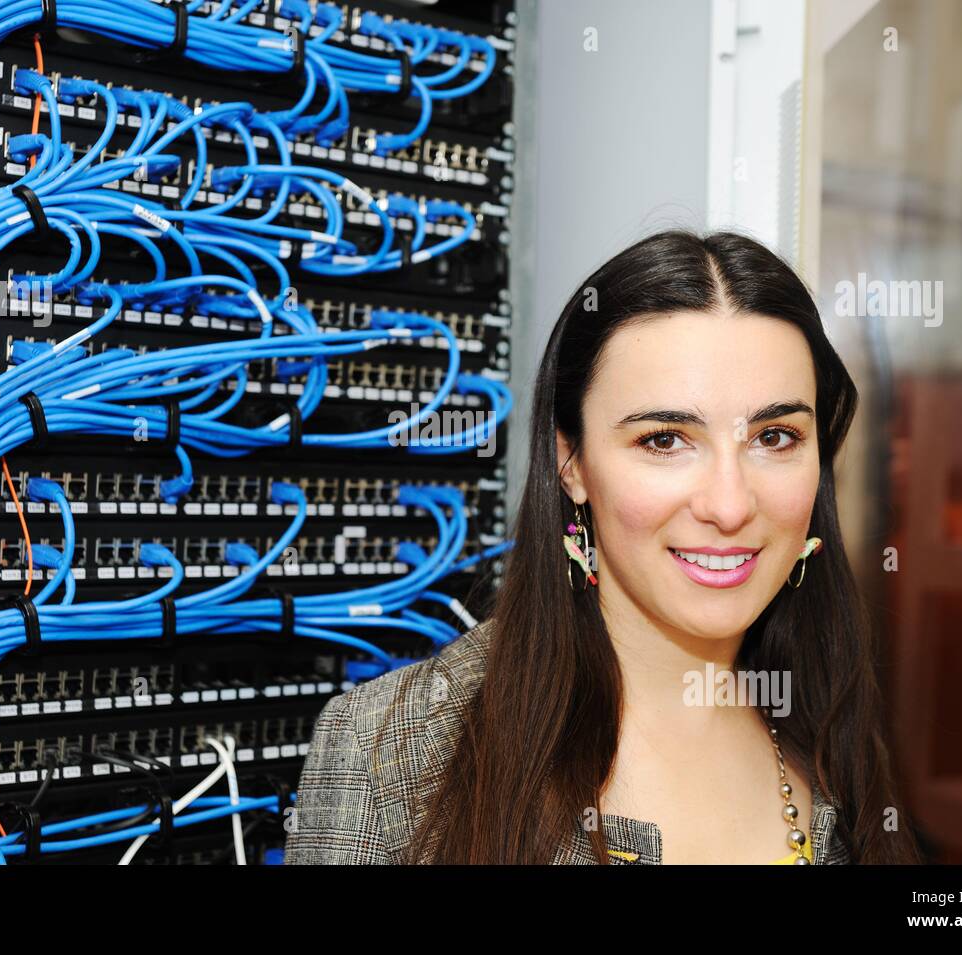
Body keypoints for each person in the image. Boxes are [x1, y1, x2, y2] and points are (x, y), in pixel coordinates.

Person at [283, 229, 922, 864]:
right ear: (573, 462)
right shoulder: (391, 751)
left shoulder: (834, 722)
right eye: (665, 440)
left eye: (775, 437)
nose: (729, 505)